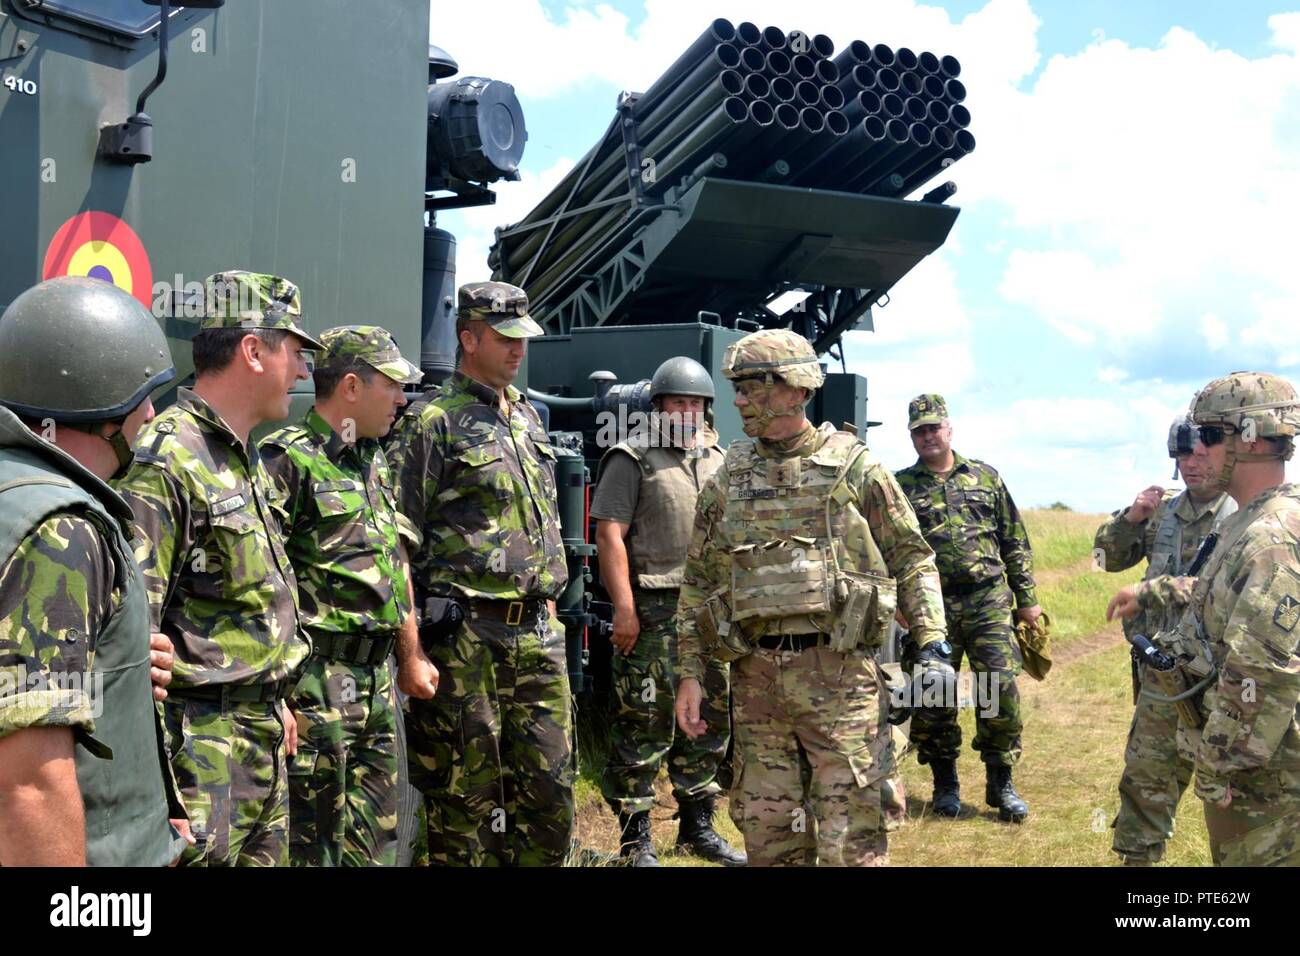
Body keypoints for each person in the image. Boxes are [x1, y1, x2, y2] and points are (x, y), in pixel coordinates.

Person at [673, 329, 950, 866]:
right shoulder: (729, 476)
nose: (738, 400)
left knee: (851, 839)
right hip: (756, 685)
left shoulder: (855, 467)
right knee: (770, 838)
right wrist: (689, 674)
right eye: (737, 388)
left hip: (841, 679)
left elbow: (913, 558)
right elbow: (699, 581)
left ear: (796, 390)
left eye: (754, 386)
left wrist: (933, 644)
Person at [116, 271, 321, 866]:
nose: (304, 371)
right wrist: (155, 784)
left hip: (259, 739)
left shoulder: (242, 455)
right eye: (295, 351)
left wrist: (274, 696)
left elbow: (248, 606)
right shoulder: (169, 456)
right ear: (254, 351)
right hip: (198, 757)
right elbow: (133, 635)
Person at [0, 276, 187, 865]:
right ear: (101, 402)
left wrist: (122, 660)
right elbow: (28, 786)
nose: (152, 414)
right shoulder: (61, 530)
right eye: (142, 399)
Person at [388, 281, 573, 866]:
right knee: (466, 804)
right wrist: (410, 651)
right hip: (468, 639)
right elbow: (396, 545)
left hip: (539, 638)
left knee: (550, 793)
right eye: (504, 337)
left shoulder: (528, 419)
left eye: (524, 337)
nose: (519, 349)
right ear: (468, 339)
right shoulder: (431, 423)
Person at [260, 326, 436, 866]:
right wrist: (276, 690)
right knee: (314, 846)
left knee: (379, 843)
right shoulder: (286, 459)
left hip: (378, 684)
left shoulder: (374, 462)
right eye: (394, 386)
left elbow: (395, 563)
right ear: (353, 387)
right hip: (315, 685)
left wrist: (410, 656)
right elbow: (263, 581)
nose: (404, 400)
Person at [1110, 372, 1300, 866]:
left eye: (1212, 437)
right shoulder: (1247, 523)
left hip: (1264, 774)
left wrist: (1218, 765)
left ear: (1250, 439)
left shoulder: (1270, 537)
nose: (1201, 452)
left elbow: (1263, 672)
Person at [591, 356, 744, 867]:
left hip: (711, 614)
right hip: (654, 608)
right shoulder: (631, 457)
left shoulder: (721, 459)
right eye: (677, 401)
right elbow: (609, 534)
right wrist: (625, 609)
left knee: (709, 720)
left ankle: (697, 828)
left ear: (706, 409)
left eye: (695, 403)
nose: (687, 410)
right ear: (658, 407)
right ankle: (636, 840)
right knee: (644, 721)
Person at [1093, 415, 1235, 865]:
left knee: (1236, 790)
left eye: (1199, 453)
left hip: (1224, 678)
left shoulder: (1243, 516)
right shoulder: (1163, 514)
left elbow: (1215, 587)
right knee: (1146, 779)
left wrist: (1148, 591)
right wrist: (1131, 519)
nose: (1191, 464)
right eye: (1181, 455)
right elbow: (1103, 559)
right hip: (1163, 674)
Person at [894, 393, 1040, 822]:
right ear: (912, 436)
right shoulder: (901, 487)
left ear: (949, 429)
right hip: (931, 605)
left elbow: (1015, 541)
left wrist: (1027, 601)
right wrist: (900, 603)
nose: (927, 436)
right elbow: (888, 549)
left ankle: (1001, 782)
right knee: (934, 693)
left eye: (933, 428)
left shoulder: (985, 477)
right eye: (919, 430)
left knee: (997, 688)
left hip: (987, 598)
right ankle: (945, 784)